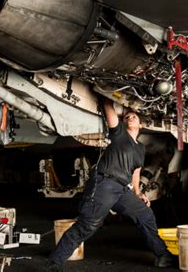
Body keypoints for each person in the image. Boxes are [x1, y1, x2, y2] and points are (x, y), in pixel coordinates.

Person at [47, 98, 174, 271]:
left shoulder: (140, 148)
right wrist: (109, 97)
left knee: (145, 214)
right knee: (87, 225)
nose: (130, 117)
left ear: (141, 124)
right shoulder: (119, 132)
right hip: (104, 183)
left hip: (122, 189)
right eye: (127, 116)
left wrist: (137, 193)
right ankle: (55, 263)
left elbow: (135, 171)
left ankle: (163, 256)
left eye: (134, 116)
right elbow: (108, 107)